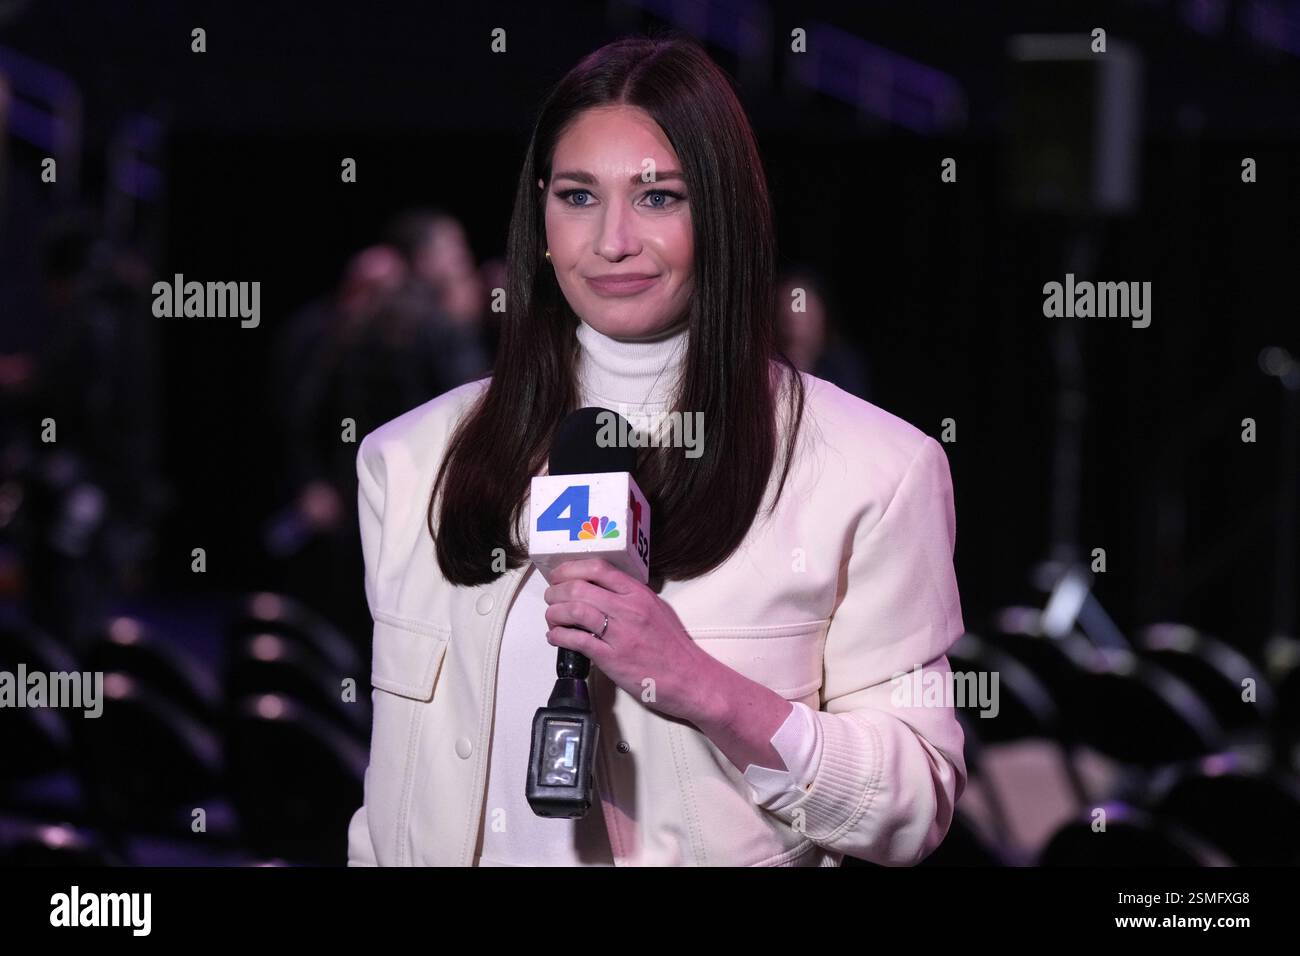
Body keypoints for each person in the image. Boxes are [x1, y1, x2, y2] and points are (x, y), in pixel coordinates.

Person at [348, 33, 966, 867]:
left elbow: (914, 804)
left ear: (723, 212)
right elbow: (387, 813)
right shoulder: (412, 461)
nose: (611, 241)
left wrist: (702, 687)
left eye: (657, 198)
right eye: (577, 196)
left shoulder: (876, 472)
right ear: (540, 216)